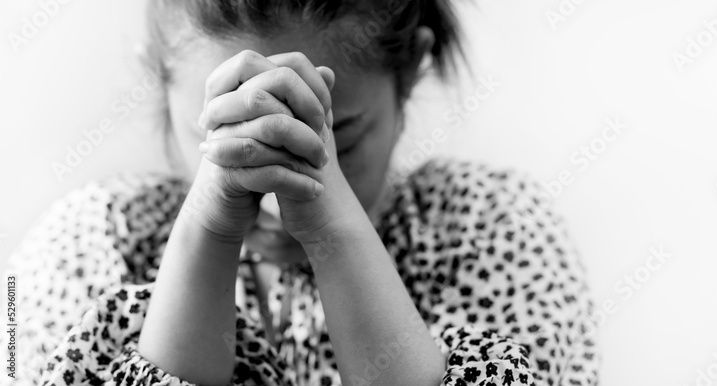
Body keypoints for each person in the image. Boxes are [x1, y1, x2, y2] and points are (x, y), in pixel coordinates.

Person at [3, 1, 598, 385]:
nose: (274, 203)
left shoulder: (490, 229)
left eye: (334, 139)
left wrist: (333, 231)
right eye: (225, 137)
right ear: (159, 79)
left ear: (410, 71)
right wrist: (208, 231)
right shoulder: (91, 241)